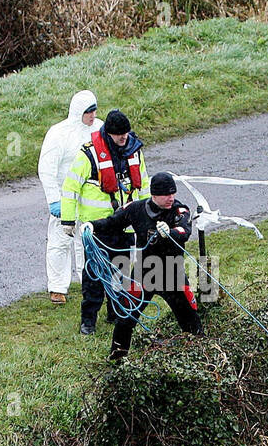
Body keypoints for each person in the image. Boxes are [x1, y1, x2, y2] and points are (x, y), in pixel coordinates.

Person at [89, 171, 201, 361]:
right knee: (126, 317)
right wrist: (91, 226)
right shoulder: (136, 208)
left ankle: (201, 355)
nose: (171, 198)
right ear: (154, 195)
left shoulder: (179, 210)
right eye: (166, 194)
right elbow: (113, 222)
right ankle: (117, 357)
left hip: (172, 273)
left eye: (173, 193)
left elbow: (184, 231)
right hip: (144, 272)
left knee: (190, 319)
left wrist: (171, 233)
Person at [59, 109, 148, 335]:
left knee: (121, 272)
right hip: (96, 228)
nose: (123, 138)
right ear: (108, 133)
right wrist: (68, 220)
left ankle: (115, 312)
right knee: (94, 276)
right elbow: (70, 188)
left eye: (125, 134)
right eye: (119, 135)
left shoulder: (134, 152)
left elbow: (144, 184)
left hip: (125, 225)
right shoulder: (88, 155)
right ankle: (88, 320)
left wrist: (149, 215)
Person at [37, 90, 100, 304]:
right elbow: (46, 168)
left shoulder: (100, 129)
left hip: (92, 198)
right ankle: (57, 287)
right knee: (60, 241)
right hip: (66, 197)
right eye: (88, 111)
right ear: (77, 111)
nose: (92, 115)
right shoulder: (59, 133)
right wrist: (54, 199)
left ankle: (88, 283)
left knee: (88, 241)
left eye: (94, 110)